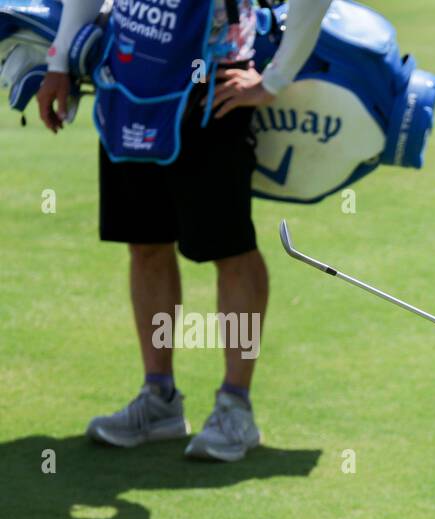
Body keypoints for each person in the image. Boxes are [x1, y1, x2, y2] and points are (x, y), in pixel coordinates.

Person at [36, 0, 331, 461]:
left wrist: (275, 78)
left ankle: (236, 407)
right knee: (146, 244)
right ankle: (159, 402)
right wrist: (59, 63)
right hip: (129, 76)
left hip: (213, 82)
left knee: (229, 249)